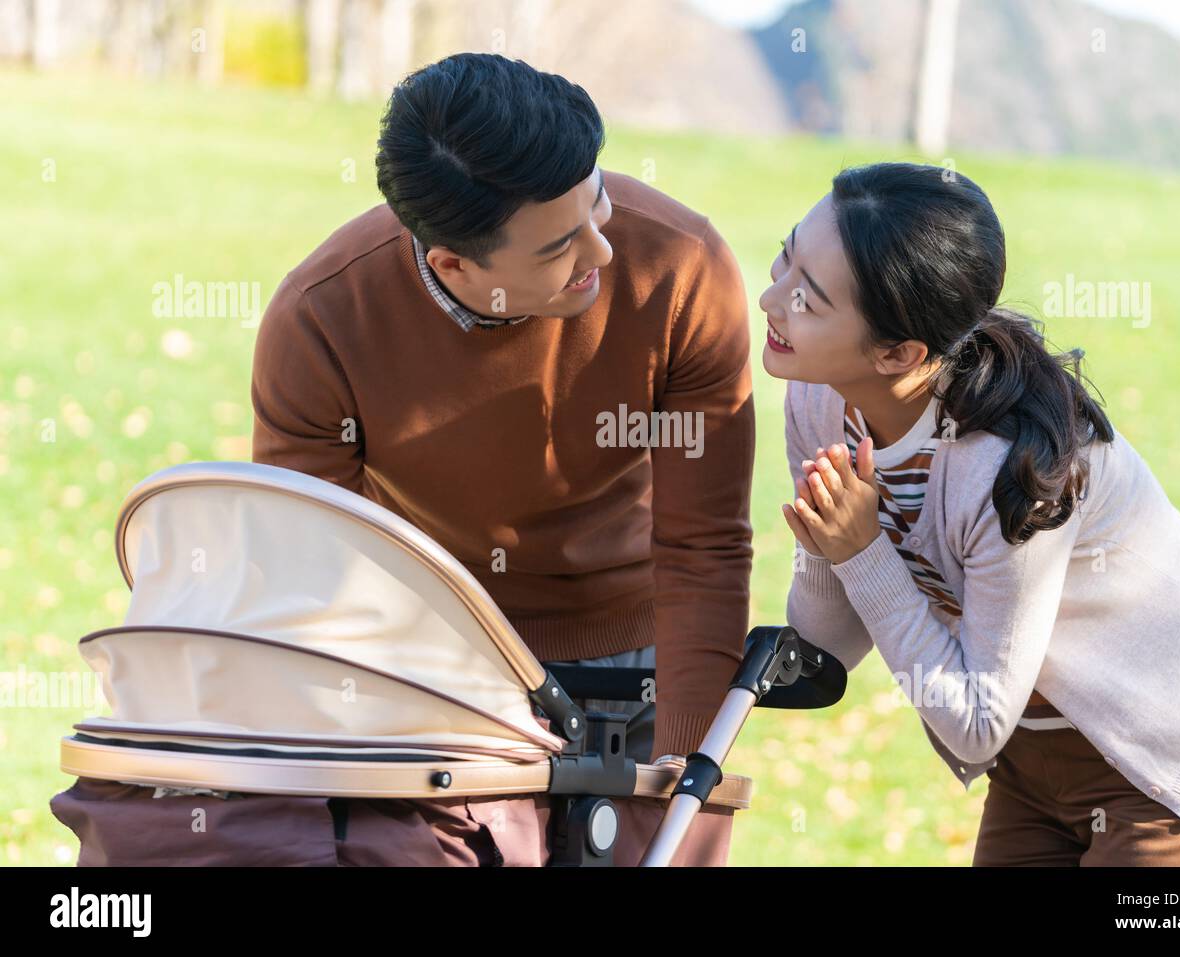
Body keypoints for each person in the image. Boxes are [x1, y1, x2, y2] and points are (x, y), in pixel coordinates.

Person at [51, 53, 753, 867]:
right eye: (561, 246)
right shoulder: (320, 322)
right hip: (429, 664)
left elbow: (703, 548)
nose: (602, 250)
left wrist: (690, 774)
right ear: (454, 264)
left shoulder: (682, 267)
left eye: (598, 201)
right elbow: (307, 579)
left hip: (639, 651)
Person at [767, 161, 1180, 865]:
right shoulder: (818, 402)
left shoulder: (1014, 463)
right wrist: (831, 540)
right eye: (784, 260)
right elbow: (830, 641)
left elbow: (974, 721)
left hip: (1163, 759)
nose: (769, 299)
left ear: (901, 352)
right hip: (1031, 759)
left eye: (807, 300)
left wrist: (862, 552)